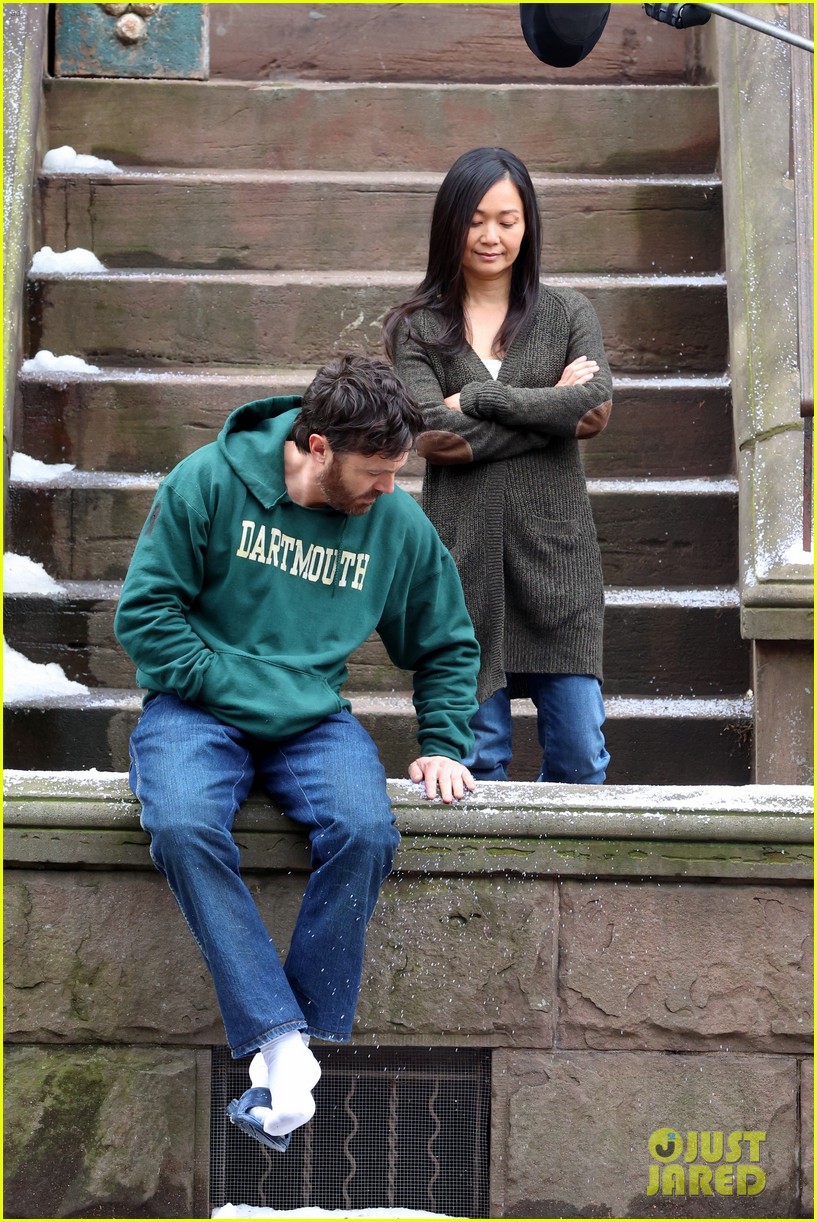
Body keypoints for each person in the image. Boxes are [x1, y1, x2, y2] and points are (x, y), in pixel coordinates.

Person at [114, 353, 479, 1153]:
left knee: (366, 829)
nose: (389, 487)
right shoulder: (207, 482)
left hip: (313, 722)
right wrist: (238, 688)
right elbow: (145, 618)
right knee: (179, 823)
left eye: (397, 471)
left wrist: (444, 743)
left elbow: (446, 642)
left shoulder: (395, 522)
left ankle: (291, 1044)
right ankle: (281, 1040)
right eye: (376, 471)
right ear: (317, 447)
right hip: (195, 707)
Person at [383, 146, 613, 784]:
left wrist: (483, 398)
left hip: (557, 563)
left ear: (528, 224)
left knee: (580, 755)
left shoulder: (568, 313)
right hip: (462, 563)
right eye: (476, 219)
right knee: (476, 763)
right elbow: (435, 436)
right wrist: (549, 416)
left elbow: (592, 411)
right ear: (450, 222)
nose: (491, 236)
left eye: (507, 220)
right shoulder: (417, 327)